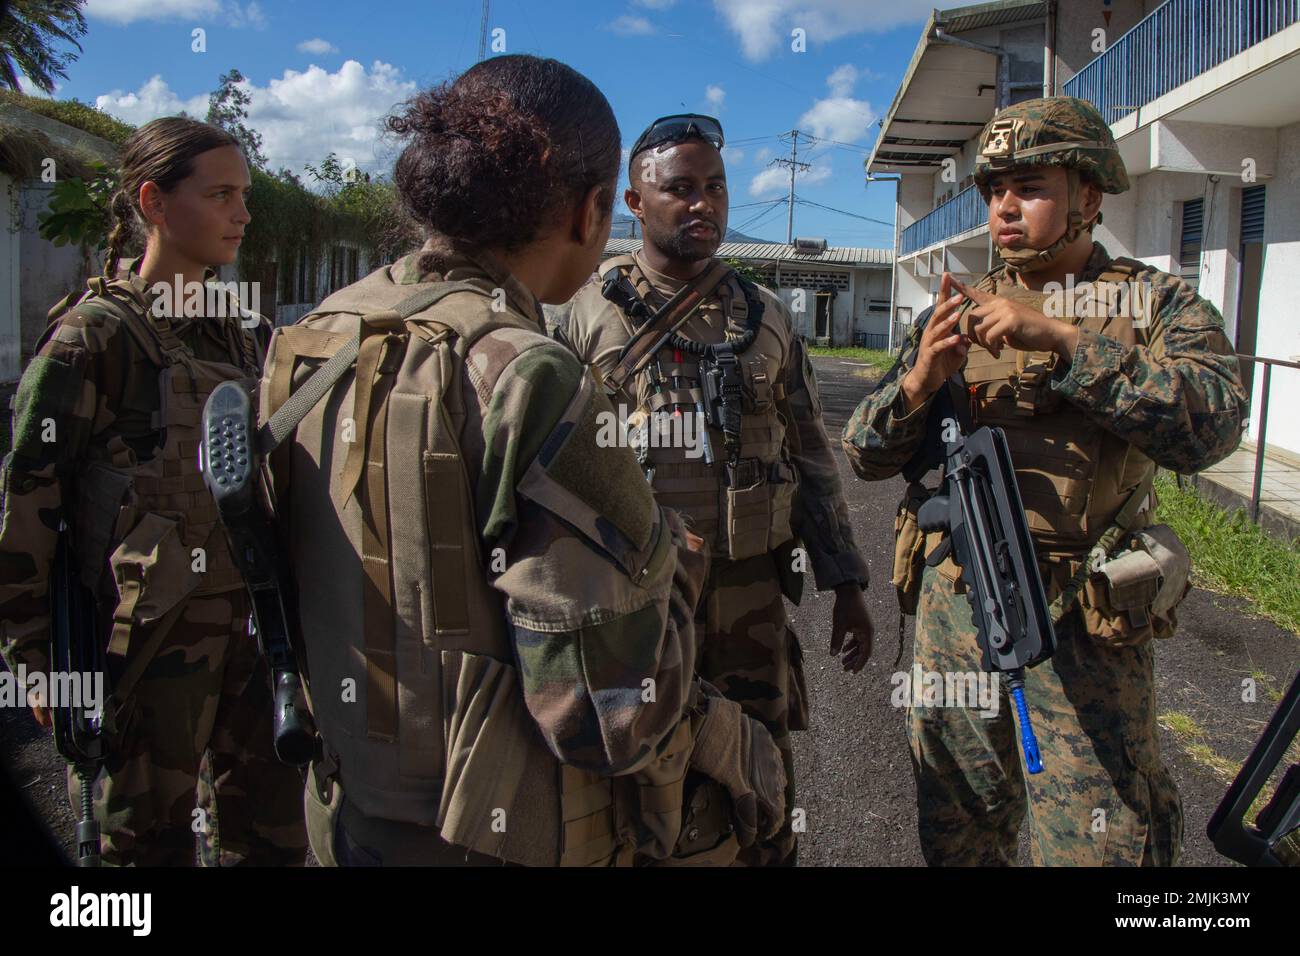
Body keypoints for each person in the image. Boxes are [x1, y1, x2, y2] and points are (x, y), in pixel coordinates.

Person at [264, 54, 786, 866]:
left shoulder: (325, 330)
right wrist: (737, 745)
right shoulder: (529, 373)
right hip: (491, 830)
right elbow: (612, 708)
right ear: (591, 212)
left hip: (346, 811)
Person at [842, 96, 1247, 866]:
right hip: (957, 606)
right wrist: (922, 380)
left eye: (1028, 186)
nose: (1003, 207)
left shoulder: (1152, 303)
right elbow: (863, 452)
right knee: (958, 824)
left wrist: (1065, 342)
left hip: (1085, 620)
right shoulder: (954, 309)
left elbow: (1213, 424)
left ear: (1087, 197)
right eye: (994, 189)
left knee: (1102, 839)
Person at [552, 113, 874, 866]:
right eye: (682, 189)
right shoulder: (585, 318)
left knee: (758, 770)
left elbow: (810, 452)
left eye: (717, 187)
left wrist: (848, 580)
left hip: (750, 595)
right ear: (636, 202)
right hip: (639, 599)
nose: (704, 205)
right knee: (640, 767)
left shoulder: (765, 316)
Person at [0, 117, 308, 865]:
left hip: (254, 636)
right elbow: (29, 506)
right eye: (222, 195)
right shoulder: (93, 340)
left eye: (245, 195)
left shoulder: (246, 336)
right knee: (137, 848)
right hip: (139, 647)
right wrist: (30, 661)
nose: (242, 213)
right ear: (155, 203)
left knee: (270, 836)